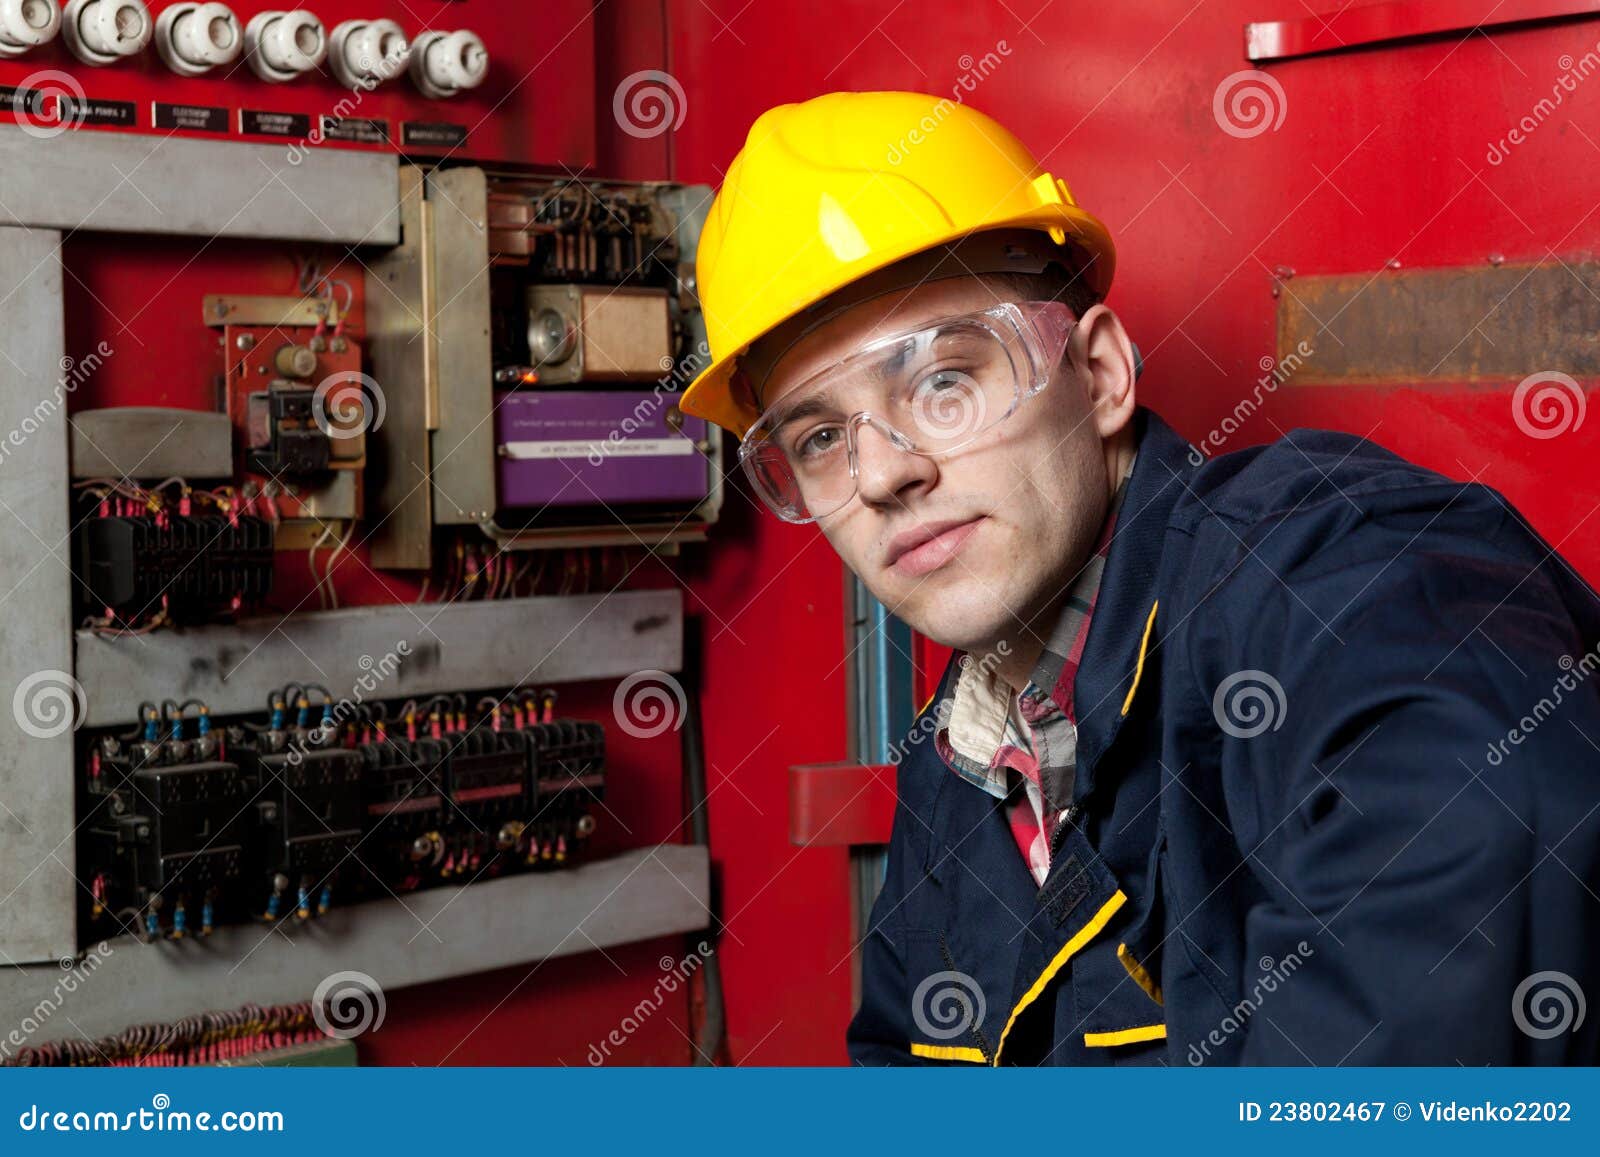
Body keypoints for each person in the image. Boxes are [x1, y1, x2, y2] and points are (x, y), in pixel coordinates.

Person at [678, 90, 1600, 1065]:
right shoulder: (962, 770)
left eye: (943, 380)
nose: (882, 473)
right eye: (820, 438)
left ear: (1103, 373)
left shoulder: (1347, 580)